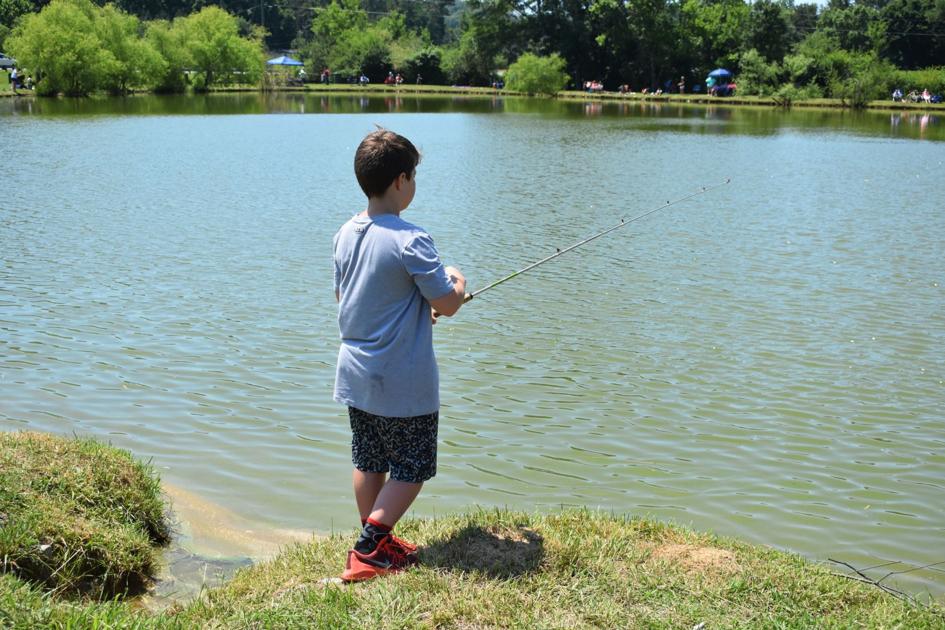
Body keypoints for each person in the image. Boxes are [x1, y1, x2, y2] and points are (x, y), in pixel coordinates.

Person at [332, 129, 468, 582]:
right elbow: (447, 302)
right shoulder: (412, 238)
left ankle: (377, 539)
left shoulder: (344, 234)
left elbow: (352, 297)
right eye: (414, 177)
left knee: (369, 459)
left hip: (356, 374)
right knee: (412, 468)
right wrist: (457, 279)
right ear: (400, 180)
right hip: (403, 379)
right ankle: (369, 549)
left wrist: (414, 308)